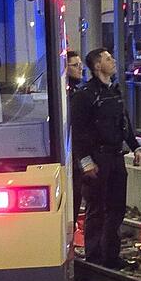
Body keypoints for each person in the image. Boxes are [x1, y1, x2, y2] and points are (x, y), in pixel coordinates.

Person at [70, 48, 141, 270]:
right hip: (97, 157)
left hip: (116, 156)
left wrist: (134, 146)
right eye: (108, 59)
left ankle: (111, 255)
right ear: (97, 66)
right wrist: (85, 161)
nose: (113, 61)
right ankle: (94, 255)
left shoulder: (114, 91)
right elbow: (78, 131)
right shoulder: (85, 95)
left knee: (116, 208)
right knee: (97, 207)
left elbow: (123, 121)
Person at [64, 50, 84, 227]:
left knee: (78, 193)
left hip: (78, 151)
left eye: (80, 65)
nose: (80, 68)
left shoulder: (79, 90)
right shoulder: (65, 93)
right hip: (72, 150)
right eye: (75, 65)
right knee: (74, 192)